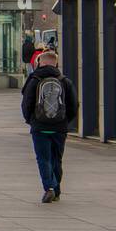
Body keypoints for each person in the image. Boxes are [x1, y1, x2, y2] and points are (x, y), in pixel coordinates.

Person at [21, 51, 79, 204]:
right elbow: (74, 105)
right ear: (56, 64)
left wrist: (31, 120)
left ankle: (49, 188)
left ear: (41, 62)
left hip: (39, 126)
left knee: (43, 158)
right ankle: (57, 189)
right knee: (56, 159)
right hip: (59, 127)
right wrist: (65, 121)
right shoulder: (64, 81)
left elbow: (26, 103)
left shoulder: (34, 79)